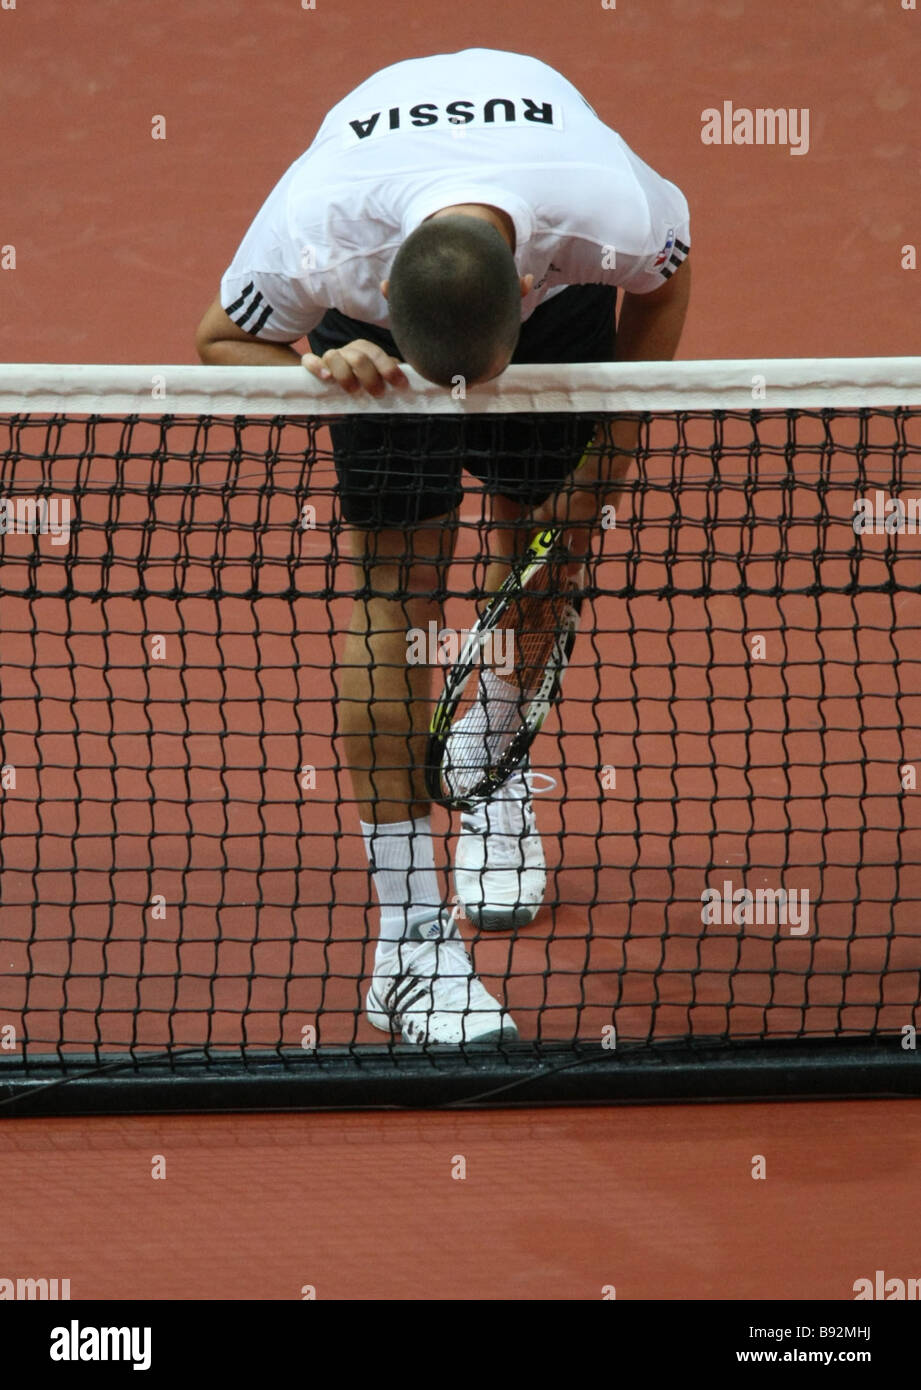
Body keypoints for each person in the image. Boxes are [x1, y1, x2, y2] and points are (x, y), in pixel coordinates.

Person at [196, 48, 691, 1046]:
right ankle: (411, 945)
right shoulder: (315, 235)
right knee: (395, 592)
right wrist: (320, 361)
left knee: (542, 555)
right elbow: (219, 335)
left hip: (550, 324)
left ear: (527, 281)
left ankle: (495, 769)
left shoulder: (609, 212)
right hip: (373, 356)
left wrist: (619, 424)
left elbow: (671, 279)